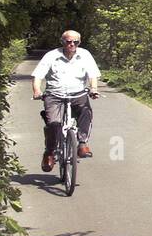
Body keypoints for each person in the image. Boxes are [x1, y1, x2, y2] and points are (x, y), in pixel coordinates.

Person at [31, 30, 101, 172]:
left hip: (78, 94)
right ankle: (49, 152)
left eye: (75, 42)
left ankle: (82, 143)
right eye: (68, 41)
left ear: (79, 42)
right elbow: (38, 76)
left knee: (86, 112)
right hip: (54, 95)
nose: (71, 44)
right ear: (62, 42)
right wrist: (37, 90)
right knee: (53, 124)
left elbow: (93, 74)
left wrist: (93, 89)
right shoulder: (51, 56)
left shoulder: (85, 55)